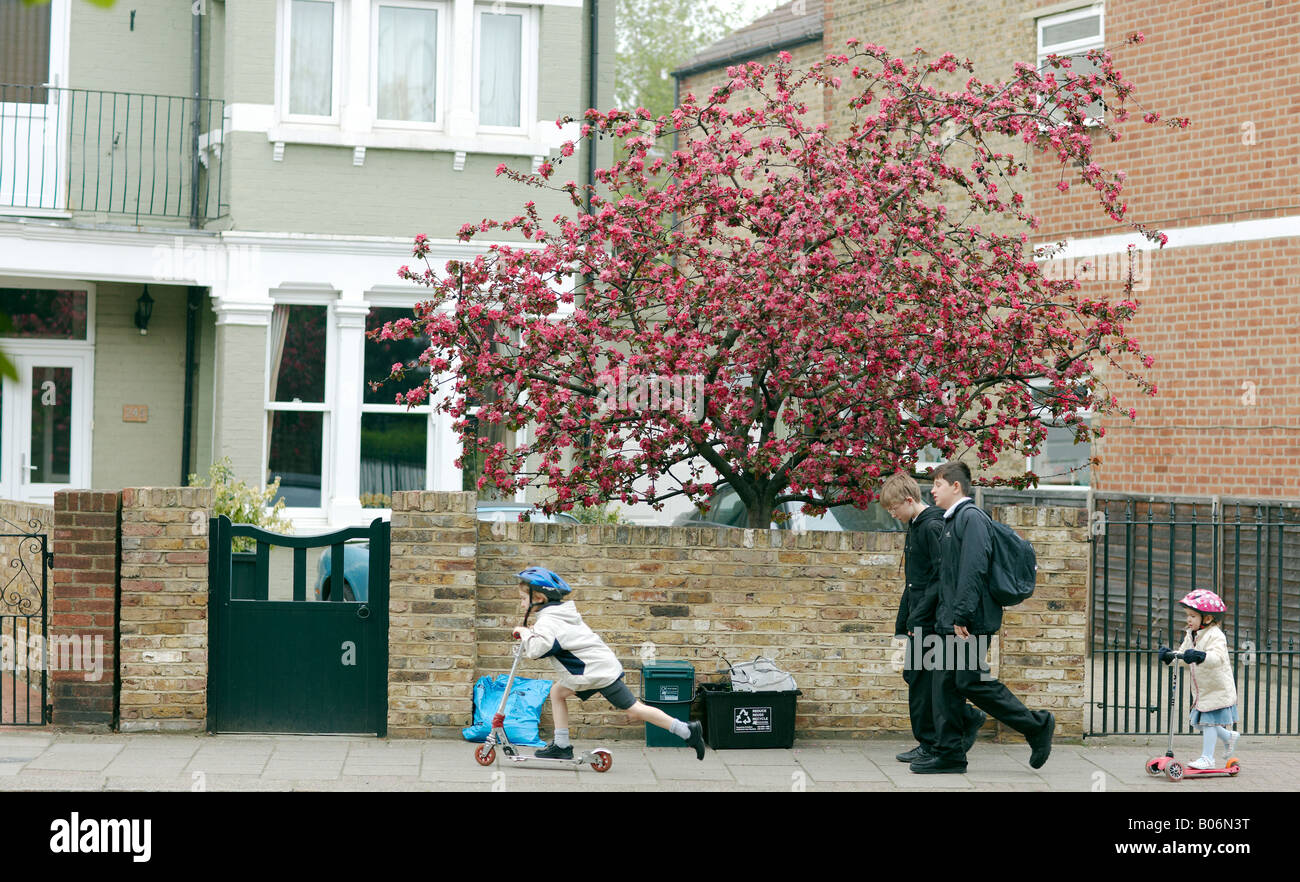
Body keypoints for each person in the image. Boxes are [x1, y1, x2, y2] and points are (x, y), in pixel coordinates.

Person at [912, 461, 1055, 774]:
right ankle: (949, 755)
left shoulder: (971, 518)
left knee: (971, 681)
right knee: (946, 687)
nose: (932, 490)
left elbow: (974, 569)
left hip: (968, 622)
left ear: (956, 486)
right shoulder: (952, 521)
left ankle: (1036, 725)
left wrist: (961, 614)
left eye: (937, 484)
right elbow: (947, 577)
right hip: (950, 620)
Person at [511, 566, 707, 760]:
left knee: (635, 709)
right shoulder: (558, 614)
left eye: (522, 599)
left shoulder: (549, 620)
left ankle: (686, 731)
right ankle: (561, 745)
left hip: (594, 672)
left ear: (538, 598)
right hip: (595, 668)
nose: (521, 604)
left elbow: (537, 650)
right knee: (558, 692)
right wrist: (532, 632)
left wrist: (525, 632)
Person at [881, 472, 987, 764]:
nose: (892, 514)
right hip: (918, 617)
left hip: (930, 619)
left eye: (893, 508)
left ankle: (933, 740)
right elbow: (914, 581)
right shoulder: (916, 526)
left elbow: (941, 579)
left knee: (924, 681)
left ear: (908, 500)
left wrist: (918, 619)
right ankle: (959, 722)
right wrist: (903, 621)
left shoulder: (932, 526)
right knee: (915, 678)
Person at [1159, 589, 1239, 770]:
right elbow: (1183, 655)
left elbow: (1217, 658)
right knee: (1201, 723)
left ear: (1208, 618)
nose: (1189, 619)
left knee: (1208, 723)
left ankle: (1207, 758)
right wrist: (1170, 657)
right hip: (1202, 690)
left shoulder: (1215, 635)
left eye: (1193, 616)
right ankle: (1228, 737)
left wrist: (1200, 656)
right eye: (1188, 615)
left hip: (1217, 688)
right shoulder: (1191, 634)